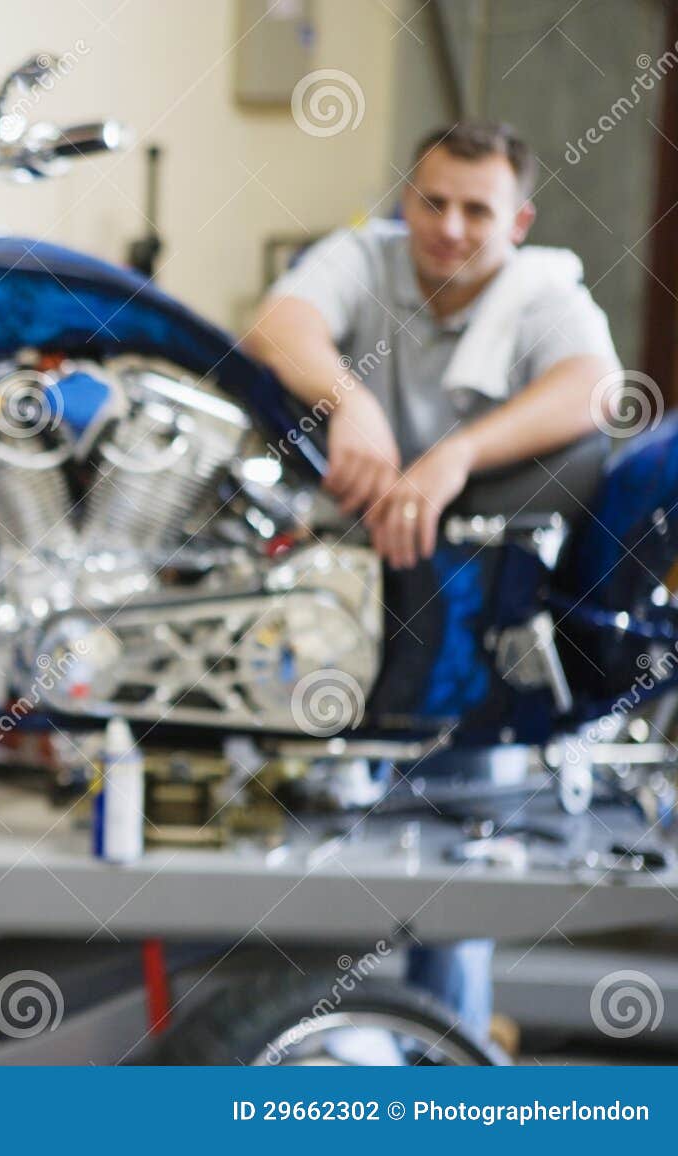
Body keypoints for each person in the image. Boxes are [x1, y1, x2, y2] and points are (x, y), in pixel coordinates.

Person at [241, 121, 622, 1045]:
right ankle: (330, 1051)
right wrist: (353, 401)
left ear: (518, 220)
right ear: (407, 198)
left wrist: (452, 458)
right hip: (350, 598)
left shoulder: (546, 291)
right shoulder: (363, 258)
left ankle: (447, 1075)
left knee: (457, 854)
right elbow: (275, 326)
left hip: (466, 614)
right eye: (431, 201)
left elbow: (597, 387)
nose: (449, 227)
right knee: (324, 833)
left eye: (476, 211)